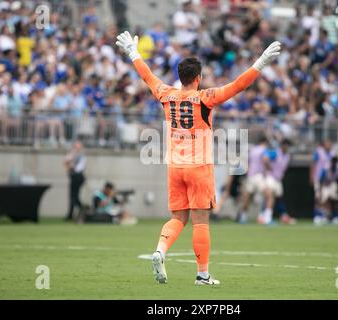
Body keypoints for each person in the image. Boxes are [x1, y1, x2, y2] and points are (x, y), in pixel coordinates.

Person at [115, 31, 281, 285]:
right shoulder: (204, 98)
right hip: (199, 167)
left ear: (181, 77)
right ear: (198, 78)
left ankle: (160, 250)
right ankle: (202, 274)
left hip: (174, 167)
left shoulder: (166, 94)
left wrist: (133, 52)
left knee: (178, 217)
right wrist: (260, 63)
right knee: (200, 221)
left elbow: (147, 77)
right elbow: (238, 86)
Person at [262, 139, 297, 225]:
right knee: (270, 197)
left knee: (279, 198)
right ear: (282, 145)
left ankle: (283, 216)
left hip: (278, 179)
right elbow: (265, 159)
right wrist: (269, 168)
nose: (287, 147)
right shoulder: (276, 153)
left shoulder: (287, 156)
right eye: (286, 145)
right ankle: (267, 218)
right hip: (270, 178)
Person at [310, 139, 338, 225]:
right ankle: (317, 216)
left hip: (331, 181)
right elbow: (313, 164)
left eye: (330, 144)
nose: (329, 146)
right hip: (320, 178)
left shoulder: (334, 155)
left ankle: (333, 217)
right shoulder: (318, 152)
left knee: (334, 198)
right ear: (323, 145)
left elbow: (337, 171)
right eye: (327, 144)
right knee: (319, 198)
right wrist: (312, 177)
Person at [64, 140, 86, 221]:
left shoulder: (81, 156)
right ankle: (70, 214)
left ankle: (82, 210)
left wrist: (71, 165)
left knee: (74, 197)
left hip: (78, 178)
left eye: (77, 147)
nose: (75, 148)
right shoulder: (72, 155)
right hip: (73, 177)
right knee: (72, 196)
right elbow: (66, 162)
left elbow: (78, 168)